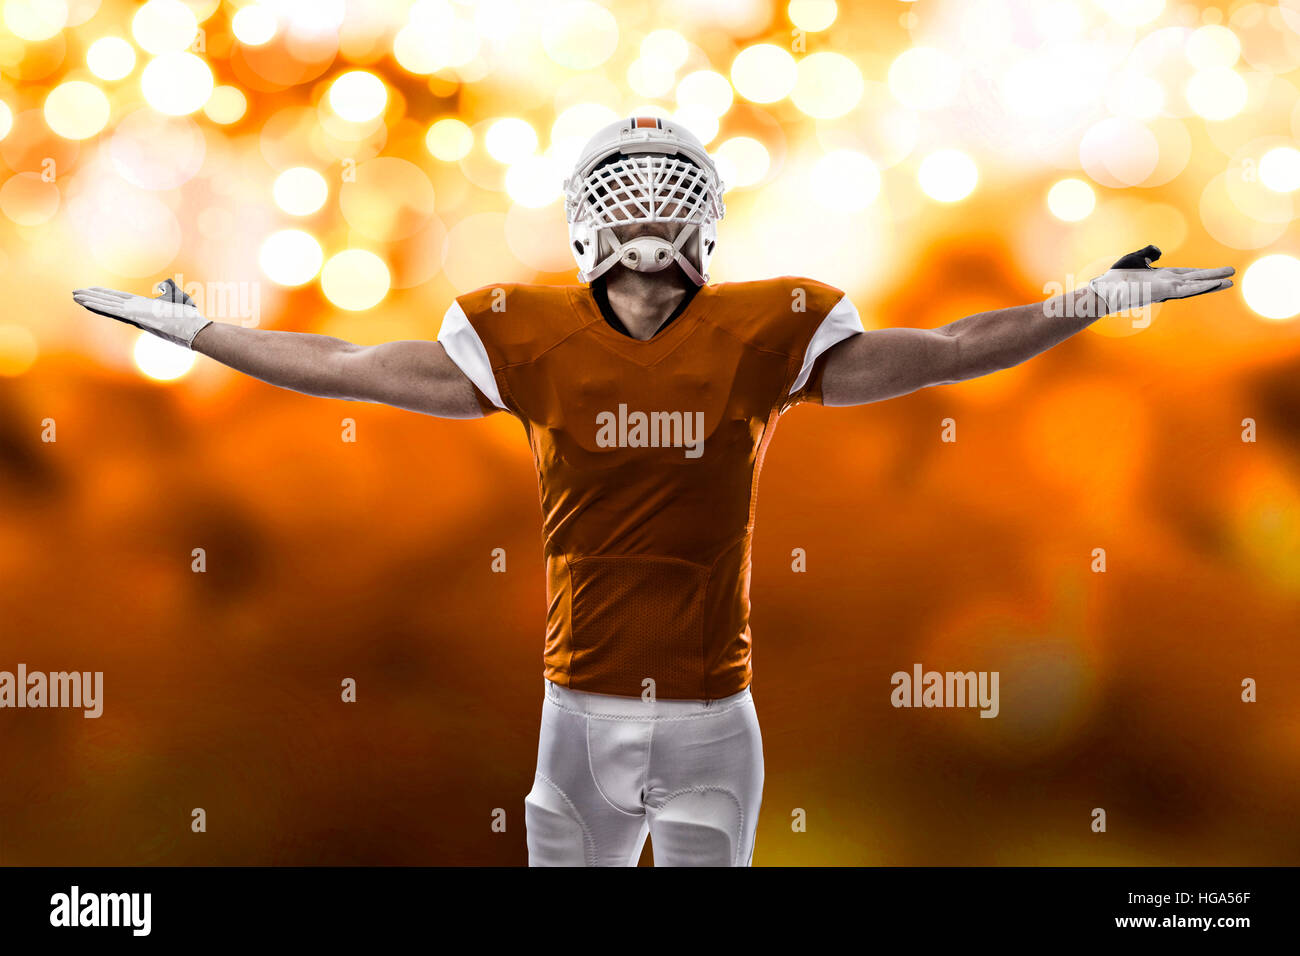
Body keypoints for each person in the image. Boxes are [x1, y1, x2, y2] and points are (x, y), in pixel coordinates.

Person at [72, 116, 1235, 866]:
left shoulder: (762, 329)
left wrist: (1077, 303)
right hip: (576, 704)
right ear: (584, 223)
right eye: (622, 195)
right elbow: (351, 368)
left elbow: (943, 347)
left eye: (663, 192)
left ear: (703, 225)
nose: (641, 215)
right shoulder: (523, 334)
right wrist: (204, 329)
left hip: (709, 710)